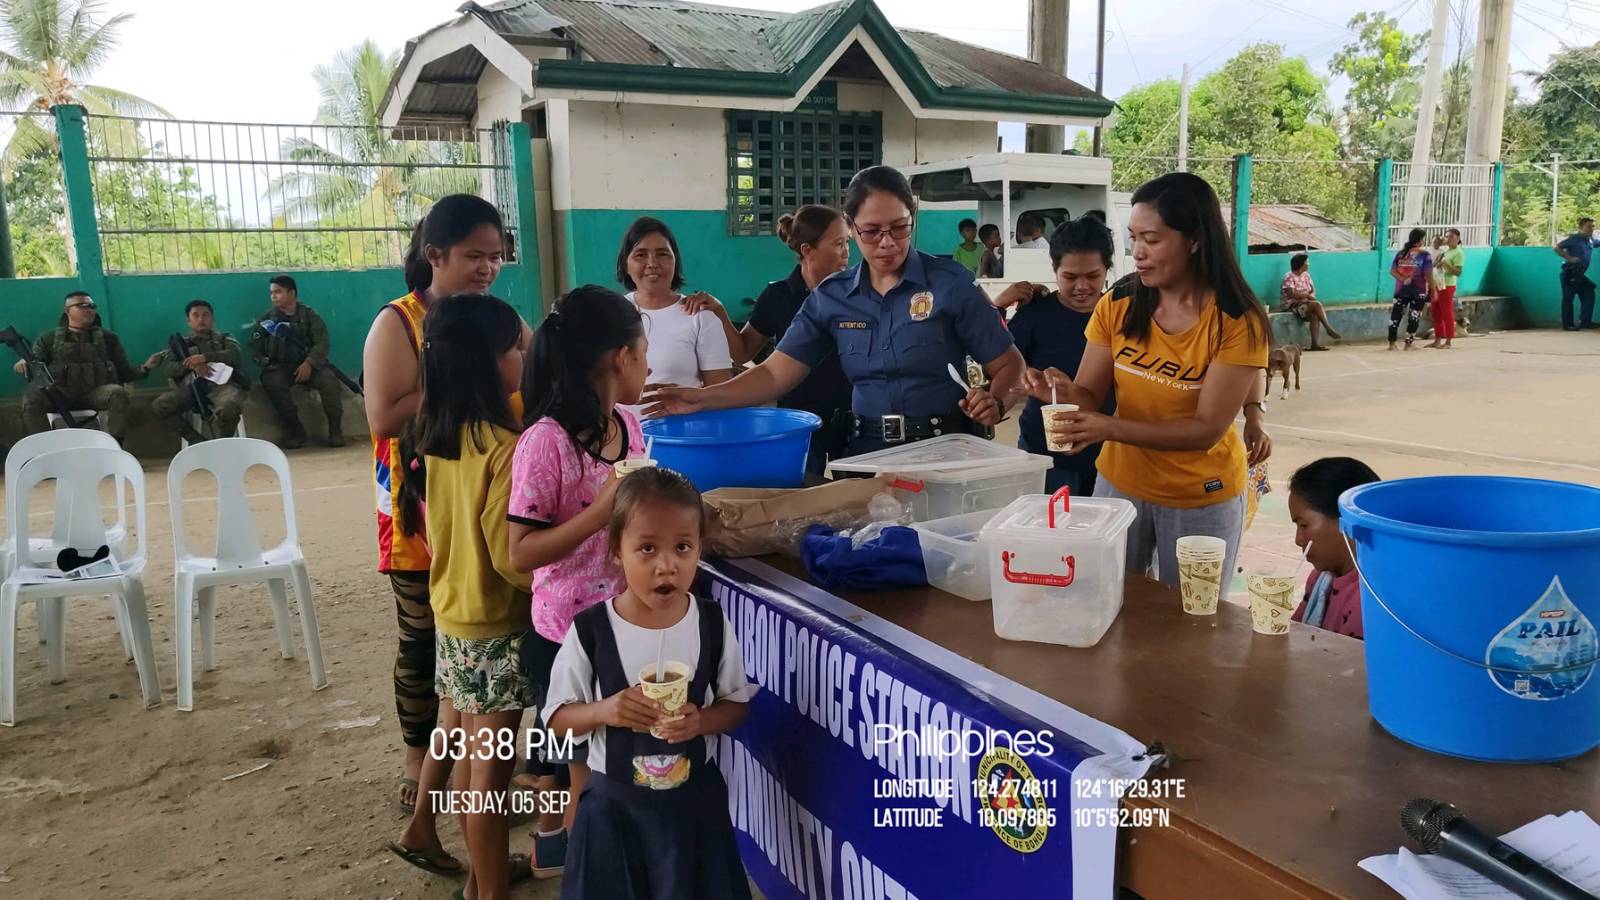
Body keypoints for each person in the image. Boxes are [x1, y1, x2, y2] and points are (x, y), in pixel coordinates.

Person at [645, 165, 1024, 455]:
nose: (887, 243)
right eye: (872, 231)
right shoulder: (832, 296)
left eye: (899, 228)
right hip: (865, 454)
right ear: (853, 228)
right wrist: (701, 398)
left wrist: (997, 399)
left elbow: (1010, 365)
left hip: (947, 448)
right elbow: (775, 373)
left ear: (913, 219)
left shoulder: (950, 283)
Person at [362, 194, 531, 816]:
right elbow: (383, 413)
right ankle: (420, 761)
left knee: (467, 664)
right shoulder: (399, 322)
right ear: (434, 255)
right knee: (424, 640)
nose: (488, 268)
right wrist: (465, 382)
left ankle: (463, 776)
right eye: (473, 256)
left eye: (496, 257)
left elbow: (532, 370)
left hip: (488, 491)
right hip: (424, 503)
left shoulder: (493, 318)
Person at [1024, 172, 1271, 591]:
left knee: (1192, 619)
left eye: (1152, 240)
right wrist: (1061, 390)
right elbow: (1088, 393)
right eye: (1133, 238)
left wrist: (1107, 427)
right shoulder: (1119, 302)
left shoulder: (1236, 320)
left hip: (1201, 495)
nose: (1137, 253)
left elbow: (1205, 430)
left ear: (1194, 239)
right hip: (1121, 486)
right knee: (1109, 599)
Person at [543, 466, 755, 900]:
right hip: (615, 813)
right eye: (646, 549)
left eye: (682, 547)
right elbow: (557, 719)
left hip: (693, 811)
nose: (667, 566)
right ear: (617, 551)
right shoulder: (591, 631)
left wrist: (702, 722)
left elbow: (736, 706)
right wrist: (606, 710)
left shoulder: (710, 624)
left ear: (699, 549)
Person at [387, 293, 532, 898]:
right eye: (518, 348)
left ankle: (476, 873)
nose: (524, 357)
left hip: (453, 613)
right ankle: (489, 889)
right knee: (489, 775)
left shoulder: (432, 432)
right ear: (492, 363)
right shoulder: (503, 444)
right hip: (495, 626)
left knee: (466, 738)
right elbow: (509, 557)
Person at [507, 285, 651, 877]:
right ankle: (579, 866)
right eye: (644, 352)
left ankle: (607, 863)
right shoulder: (546, 441)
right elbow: (522, 552)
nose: (648, 365)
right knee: (580, 777)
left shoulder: (626, 425)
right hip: (567, 640)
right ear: (621, 356)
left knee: (623, 766)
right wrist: (603, 509)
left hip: (625, 627)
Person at [993, 215, 1119, 496]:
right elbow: (999, 362)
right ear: (1054, 269)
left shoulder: (1122, 314)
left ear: (1107, 269)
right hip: (1045, 451)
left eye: (1093, 276)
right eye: (1070, 277)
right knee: (1050, 531)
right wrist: (998, 307)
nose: (1082, 286)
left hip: (1109, 450)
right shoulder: (1036, 314)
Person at [724, 206, 854, 475]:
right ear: (808, 251)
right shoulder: (778, 296)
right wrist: (717, 312)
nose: (846, 252)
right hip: (800, 421)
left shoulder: (855, 293)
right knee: (804, 495)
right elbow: (743, 351)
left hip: (853, 419)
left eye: (847, 243)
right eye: (838, 244)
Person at [616, 217, 736, 379]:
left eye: (662, 254)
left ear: (675, 261)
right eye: (640, 255)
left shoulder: (700, 317)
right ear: (626, 265)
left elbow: (719, 392)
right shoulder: (613, 314)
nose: (652, 263)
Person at [15, 291, 141, 442]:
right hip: (60, 394)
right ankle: (45, 447)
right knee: (31, 398)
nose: (89, 309)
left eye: (92, 306)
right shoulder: (49, 339)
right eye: (82, 306)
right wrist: (23, 362)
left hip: (95, 393)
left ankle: (114, 446)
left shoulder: (108, 338)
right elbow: (35, 361)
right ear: (68, 310)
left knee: (118, 393)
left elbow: (124, 371)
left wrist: (144, 369)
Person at [1288, 457, 1381, 639]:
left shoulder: (1366, 602)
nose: (1298, 540)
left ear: (1346, 523)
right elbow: (1295, 635)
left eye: (1304, 525)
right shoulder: (1321, 578)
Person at [250, 275, 345, 448]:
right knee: (273, 383)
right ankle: (296, 432)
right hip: (279, 368)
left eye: (278, 292)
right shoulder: (267, 320)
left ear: (292, 293)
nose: (274, 296)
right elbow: (255, 349)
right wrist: (267, 365)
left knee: (329, 381)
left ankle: (335, 431)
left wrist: (309, 363)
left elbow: (322, 343)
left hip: (308, 365)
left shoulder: (310, 316)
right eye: (272, 293)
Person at [144, 299, 248, 443]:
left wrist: (205, 358)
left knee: (229, 409)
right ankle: (198, 442)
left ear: (212, 318)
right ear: (189, 321)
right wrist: (190, 364)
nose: (201, 319)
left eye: (205, 315)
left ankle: (223, 445)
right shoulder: (181, 345)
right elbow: (169, 369)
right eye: (196, 315)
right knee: (160, 406)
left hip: (222, 387)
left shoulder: (225, 338)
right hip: (191, 389)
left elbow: (235, 355)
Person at [1278, 254, 1342, 350]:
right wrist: (1307, 296)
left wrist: (1309, 297)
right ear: (1301, 264)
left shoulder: (1307, 276)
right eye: (1306, 262)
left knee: (1315, 315)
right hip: (1292, 306)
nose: (1308, 265)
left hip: (1305, 304)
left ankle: (1314, 344)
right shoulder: (1289, 276)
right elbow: (1291, 294)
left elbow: (1312, 291)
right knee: (1316, 305)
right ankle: (1328, 329)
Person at [1387, 228, 1433, 351]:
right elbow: (1428, 274)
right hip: (1418, 291)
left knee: (1395, 317)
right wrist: (1433, 289)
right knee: (1414, 316)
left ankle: (1392, 344)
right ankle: (1408, 344)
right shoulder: (1425, 255)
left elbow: (1392, 271)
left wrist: (1402, 279)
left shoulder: (1401, 254)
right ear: (1420, 240)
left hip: (1401, 290)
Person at [1555, 216, 1596, 332]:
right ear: (1581, 227)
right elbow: (1556, 248)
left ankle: (1585, 321)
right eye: (1589, 226)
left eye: (1593, 226)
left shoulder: (1591, 240)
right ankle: (1568, 325)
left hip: (1580, 275)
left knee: (1589, 293)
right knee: (1568, 298)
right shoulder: (1575, 238)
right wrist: (1569, 258)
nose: (1591, 229)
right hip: (1570, 272)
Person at [1429, 229, 1465, 349]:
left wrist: (1446, 264)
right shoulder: (1445, 251)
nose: (1448, 239)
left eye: (1451, 237)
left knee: (1446, 312)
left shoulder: (1458, 253)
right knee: (1436, 312)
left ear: (1458, 239)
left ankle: (1448, 341)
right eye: (1447, 237)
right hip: (1438, 283)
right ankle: (1437, 339)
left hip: (1448, 285)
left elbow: (1458, 272)